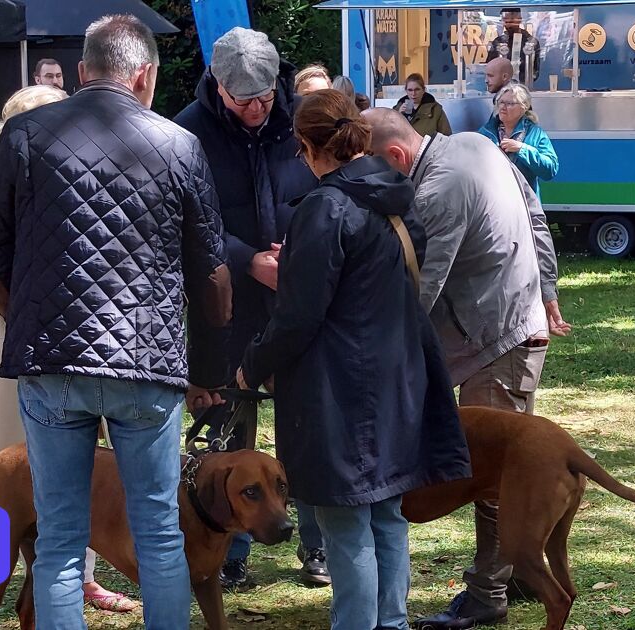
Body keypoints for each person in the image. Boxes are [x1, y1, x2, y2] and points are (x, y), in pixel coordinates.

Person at [0, 14, 232, 629]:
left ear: (83, 72)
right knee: (159, 536)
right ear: (143, 75)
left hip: (53, 360)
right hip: (149, 361)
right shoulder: (179, 144)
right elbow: (214, 276)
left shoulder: (24, 135)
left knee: (62, 539)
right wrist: (209, 368)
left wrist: (26, 321)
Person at [238, 88, 471, 630]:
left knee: (345, 523)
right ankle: (390, 622)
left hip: (339, 390)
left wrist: (252, 362)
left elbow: (299, 315)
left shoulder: (326, 207)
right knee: (387, 516)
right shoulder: (394, 194)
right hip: (395, 379)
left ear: (305, 145)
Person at [363, 107, 567, 629]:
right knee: (502, 470)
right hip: (509, 326)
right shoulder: (475, 144)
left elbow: (419, 291)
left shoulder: (438, 191)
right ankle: (518, 569)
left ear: (395, 157)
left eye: (370, 173)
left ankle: (488, 594)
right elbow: (536, 215)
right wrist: (548, 289)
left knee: (495, 475)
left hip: (496, 342)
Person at [0, 83, 139, 613]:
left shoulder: (83, 183)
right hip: (12, 355)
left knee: (80, 472)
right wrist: (43, 307)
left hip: (78, 355)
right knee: (14, 475)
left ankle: (77, 581)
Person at [173, 26, 329, 589]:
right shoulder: (187, 134)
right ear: (218, 88)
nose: (257, 109)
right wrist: (247, 259)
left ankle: (316, 544)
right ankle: (229, 550)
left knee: (305, 424)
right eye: (244, 101)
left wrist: (298, 251)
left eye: (265, 97)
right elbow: (192, 222)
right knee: (227, 428)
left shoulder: (299, 123)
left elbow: (322, 196)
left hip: (295, 298)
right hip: (228, 303)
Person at [479, 83, 556, 195]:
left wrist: (522, 149)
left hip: (524, 201)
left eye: (510, 103)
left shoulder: (534, 133)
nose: (503, 107)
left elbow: (550, 170)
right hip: (493, 200)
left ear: (523, 107)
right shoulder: (486, 132)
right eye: (501, 102)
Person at [487, 7, 539, 86]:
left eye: (511, 21)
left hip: (525, 86)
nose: (508, 25)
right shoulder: (498, 42)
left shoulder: (530, 42)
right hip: (502, 88)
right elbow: (490, 67)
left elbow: (535, 70)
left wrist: (524, 83)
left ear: (519, 20)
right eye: (505, 21)